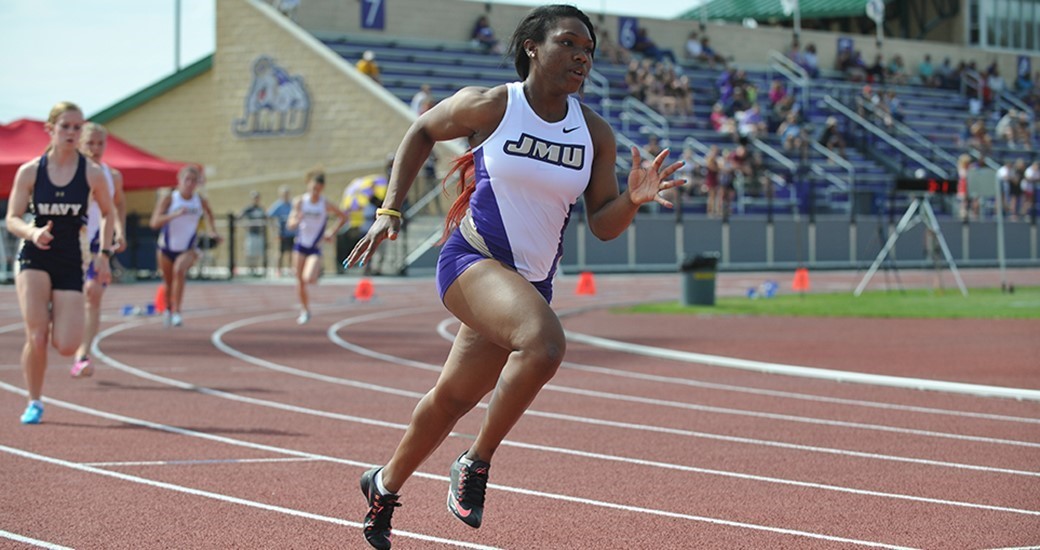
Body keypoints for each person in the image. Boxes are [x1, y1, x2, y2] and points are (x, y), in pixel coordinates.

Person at [341, 5, 684, 549]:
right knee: (544, 345)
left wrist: (632, 200)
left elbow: (603, 225)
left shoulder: (594, 132)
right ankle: (474, 463)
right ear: (532, 47)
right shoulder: (495, 104)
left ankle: (382, 485)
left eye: (589, 50)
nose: (581, 57)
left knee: (451, 398)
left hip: (527, 284)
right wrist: (390, 210)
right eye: (569, 43)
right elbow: (421, 130)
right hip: (471, 260)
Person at [5, 101, 115, 424]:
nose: (72, 132)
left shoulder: (92, 173)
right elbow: (12, 217)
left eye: (77, 127)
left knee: (66, 345)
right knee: (36, 336)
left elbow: (108, 214)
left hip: (70, 259)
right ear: (50, 129)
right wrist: (32, 231)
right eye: (65, 126)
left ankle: (53, 312)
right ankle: (34, 401)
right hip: (34, 256)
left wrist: (103, 254)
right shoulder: (31, 171)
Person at [71, 122, 127, 378]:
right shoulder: (69, 173)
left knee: (93, 297)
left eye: (99, 143)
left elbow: (118, 206)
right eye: (90, 143)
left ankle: (83, 355)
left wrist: (120, 232)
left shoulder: (112, 176)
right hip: (69, 244)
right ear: (80, 144)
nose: (95, 148)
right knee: (68, 303)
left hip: (97, 246)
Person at [149, 165, 220, 327]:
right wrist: (174, 214)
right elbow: (154, 223)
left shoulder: (199, 200)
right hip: (166, 247)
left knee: (179, 271)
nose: (190, 183)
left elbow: (209, 214)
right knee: (168, 283)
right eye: (187, 180)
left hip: (188, 247)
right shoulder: (170, 199)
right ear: (179, 181)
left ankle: (177, 311)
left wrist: (213, 232)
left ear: (197, 183)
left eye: (194, 180)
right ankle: (168, 309)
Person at [286, 169, 347, 324]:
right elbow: (290, 224)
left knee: (309, 278)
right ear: (308, 186)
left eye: (318, 189)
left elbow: (343, 217)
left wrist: (331, 233)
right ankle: (305, 310)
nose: (315, 191)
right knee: (299, 280)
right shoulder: (300, 202)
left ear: (322, 188)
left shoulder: (324, 204)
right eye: (313, 188)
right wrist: (297, 220)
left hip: (315, 247)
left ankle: (316, 273)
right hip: (300, 245)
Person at [267, 184, 295, 275]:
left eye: (287, 194)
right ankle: (278, 270)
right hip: (282, 233)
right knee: (280, 252)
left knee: (291, 252)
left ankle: (291, 269)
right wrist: (275, 228)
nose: (286, 195)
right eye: (284, 194)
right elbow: (269, 215)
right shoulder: (278, 205)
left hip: (291, 232)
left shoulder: (292, 204)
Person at [239, 190, 267, 276]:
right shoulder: (248, 209)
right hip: (251, 234)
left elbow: (266, 218)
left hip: (259, 234)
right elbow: (239, 217)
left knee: (257, 252)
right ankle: (250, 269)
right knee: (250, 252)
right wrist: (245, 226)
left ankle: (256, 268)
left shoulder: (261, 209)